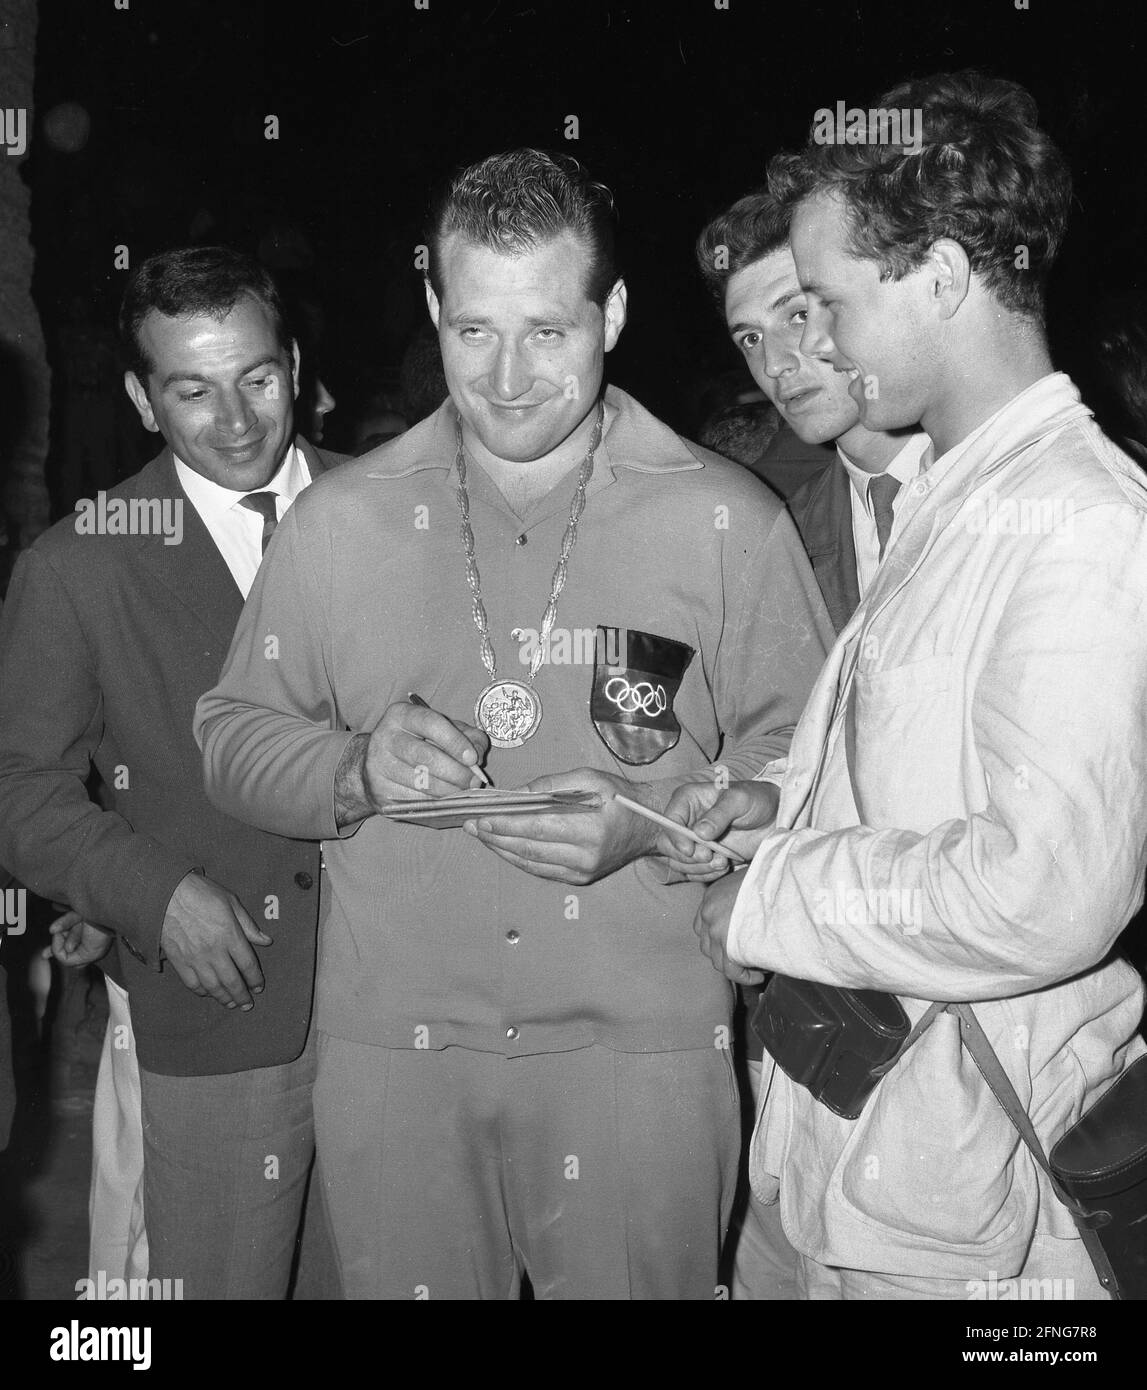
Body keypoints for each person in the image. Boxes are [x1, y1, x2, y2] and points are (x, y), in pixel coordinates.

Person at [194, 148, 834, 1300]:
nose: (505, 376)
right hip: (398, 1063)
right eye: (473, 329)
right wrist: (353, 766)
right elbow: (232, 736)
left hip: (637, 1061)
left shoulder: (725, 518)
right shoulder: (338, 524)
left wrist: (656, 820)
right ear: (434, 306)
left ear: (613, 313)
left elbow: (815, 762)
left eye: (547, 330)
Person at [660, 71, 1147, 1300]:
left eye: (825, 303)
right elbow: (918, 776)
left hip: (981, 1216)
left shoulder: (1079, 524)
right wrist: (776, 809)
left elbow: (1044, 893)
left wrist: (769, 896)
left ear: (937, 278)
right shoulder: (953, 492)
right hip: (883, 1159)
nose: (807, 347)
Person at [0, 246, 342, 1299]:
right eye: (192, 390)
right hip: (220, 1013)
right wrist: (156, 895)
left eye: (257, 380)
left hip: (420, 1005)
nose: (236, 421)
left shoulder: (398, 509)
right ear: (145, 401)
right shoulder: (76, 565)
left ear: (293, 363)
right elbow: (22, 794)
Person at [697, 188, 931, 635]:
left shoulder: (996, 485)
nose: (773, 363)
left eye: (797, 315)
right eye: (750, 338)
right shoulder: (784, 538)